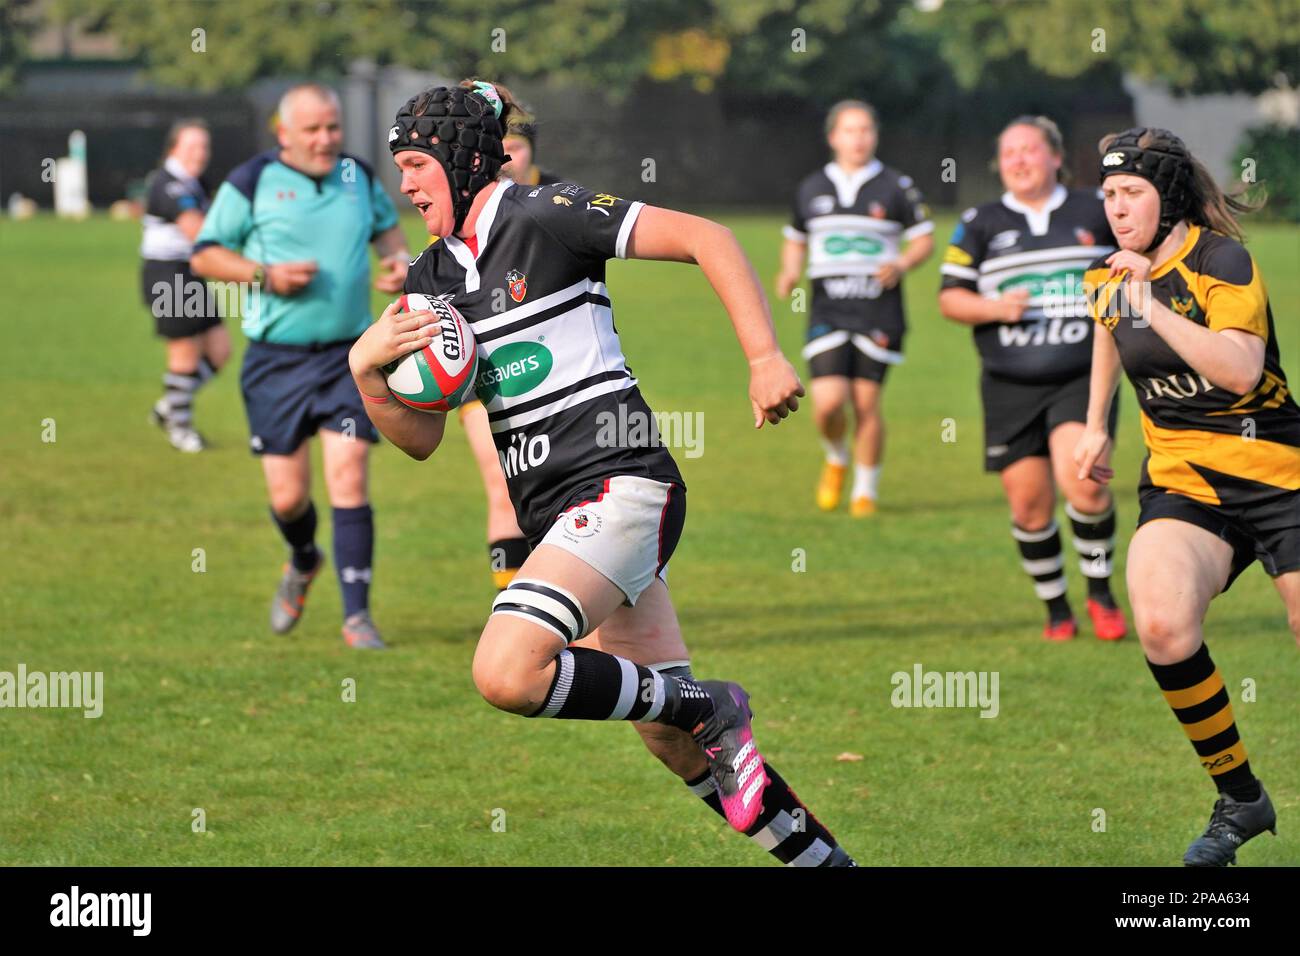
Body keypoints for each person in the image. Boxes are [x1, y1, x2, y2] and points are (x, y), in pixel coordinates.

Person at [351, 79, 855, 865]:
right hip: (560, 517)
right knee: (667, 736)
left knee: (508, 672)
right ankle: (827, 863)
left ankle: (711, 704)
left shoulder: (544, 214)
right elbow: (420, 440)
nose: (406, 184)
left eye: (416, 164)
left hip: (622, 486)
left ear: (457, 158)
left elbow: (709, 238)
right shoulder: (430, 283)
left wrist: (763, 356)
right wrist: (369, 374)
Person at [1075, 127, 1299, 866]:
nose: (1116, 207)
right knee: (1164, 624)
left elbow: (1239, 370)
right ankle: (1241, 799)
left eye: (1131, 192)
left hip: (1278, 476)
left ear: (1168, 198)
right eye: (1108, 195)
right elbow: (1109, 328)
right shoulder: (1109, 274)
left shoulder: (1221, 260)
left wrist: (1153, 306)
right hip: (1184, 484)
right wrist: (1095, 425)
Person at [191, 83, 410, 650]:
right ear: (283, 132)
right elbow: (207, 252)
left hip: (349, 357)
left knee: (348, 476)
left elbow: (387, 227)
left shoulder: (356, 175)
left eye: (332, 127)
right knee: (288, 498)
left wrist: (395, 260)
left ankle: (357, 616)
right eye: (311, 129)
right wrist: (266, 274)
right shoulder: (252, 180)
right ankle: (303, 558)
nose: (325, 139)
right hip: (276, 362)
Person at [938, 116, 1128, 641]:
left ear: (1056, 157)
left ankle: (1101, 592)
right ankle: (1057, 610)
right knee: (1028, 504)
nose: (1019, 160)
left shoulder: (1096, 209)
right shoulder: (980, 221)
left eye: (1030, 150)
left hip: (1081, 377)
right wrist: (994, 308)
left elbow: (1139, 259)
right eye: (1009, 153)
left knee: (1085, 484)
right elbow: (950, 297)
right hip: (1009, 384)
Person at [775, 100, 933, 516]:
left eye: (865, 130)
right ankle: (836, 456)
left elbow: (923, 240)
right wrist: (789, 271)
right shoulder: (811, 188)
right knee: (827, 402)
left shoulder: (896, 186)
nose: (858, 138)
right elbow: (796, 237)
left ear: (875, 136)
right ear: (833, 137)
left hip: (879, 311)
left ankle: (866, 490)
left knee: (866, 403)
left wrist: (901, 263)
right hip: (828, 309)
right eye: (850, 130)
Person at [460, 101, 561, 590]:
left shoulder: (557, 199)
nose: (506, 159)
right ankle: (514, 598)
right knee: (503, 487)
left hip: (559, 367)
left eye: (515, 148)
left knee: (561, 493)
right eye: (497, 149)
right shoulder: (466, 204)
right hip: (493, 368)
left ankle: (564, 595)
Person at [140, 119, 230, 452]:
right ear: (173, 148)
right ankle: (181, 428)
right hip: (167, 274)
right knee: (184, 355)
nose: (200, 153)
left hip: (191, 273)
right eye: (191, 146)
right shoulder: (168, 183)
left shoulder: (195, 182)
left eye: (204, 146)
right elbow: (198, 230)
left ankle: (169, 406)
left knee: (220, 351)